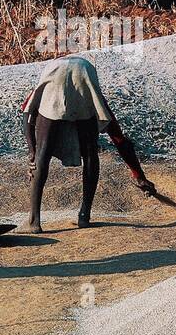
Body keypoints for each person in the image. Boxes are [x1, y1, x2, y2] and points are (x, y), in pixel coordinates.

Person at [21, 54, 155, 233]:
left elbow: (26, 114)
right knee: (90, 152)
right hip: (84, 73)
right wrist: (138, 176)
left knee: (42, 153)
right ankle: (85, 215)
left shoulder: (45, 87)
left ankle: (34, 222)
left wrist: (32, 153)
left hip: (58, 73)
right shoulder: (90, 91)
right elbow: (118, 138)